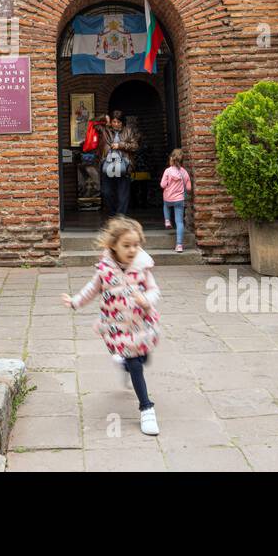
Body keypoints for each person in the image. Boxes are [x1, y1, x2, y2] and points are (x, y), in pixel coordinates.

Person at [61, 216, 161, 435]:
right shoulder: (104, 270)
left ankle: (125, 364)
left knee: (142, 359)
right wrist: (75, 301)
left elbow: (155, 290)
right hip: (118, 326)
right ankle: (146, 408)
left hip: (141, 324)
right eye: (126, 245)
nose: (132, 250)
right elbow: (92, 288)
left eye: (136, 245)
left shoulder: (143, 268)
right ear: (113, 245)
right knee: (136, 363)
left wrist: (148, 299)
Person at [98, 112, 139, 217]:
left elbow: (135, 146)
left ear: (122, 123)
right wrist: (104, 118)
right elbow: (93, 123)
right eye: (114, 121)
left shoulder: (128, 131)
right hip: (107, 165)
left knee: (123, 195)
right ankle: (112, 213)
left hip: (123, 166)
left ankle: (120, 217)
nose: (116, 124)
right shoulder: (105, 130)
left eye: (118, 122)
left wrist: (120, 145)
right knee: (106, 192)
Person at [160, 149, 193, 252]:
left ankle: (167, 220)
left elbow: (162, 185)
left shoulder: (167, 171)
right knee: (179, 222)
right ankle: (179, 245)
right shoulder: (184, 172)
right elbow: (188, 188)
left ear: (172, 159)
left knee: (165, 205)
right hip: (179, 200)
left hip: (168, 198)